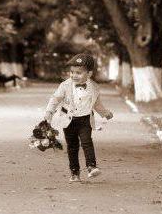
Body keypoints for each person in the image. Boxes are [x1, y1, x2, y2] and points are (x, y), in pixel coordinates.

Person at [44, 53, 113, 182]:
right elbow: (55, 99)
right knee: (72, 146)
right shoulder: (65, 85)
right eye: (72, 72)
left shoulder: (94, 88)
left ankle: (91, 166)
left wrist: (105, 113)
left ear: (89, 74)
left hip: (85, 120)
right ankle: (74, 173)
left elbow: (97, 104)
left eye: (78, 73)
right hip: (68, 120)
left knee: (87, 142)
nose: (74, 75)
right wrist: (49, 112)